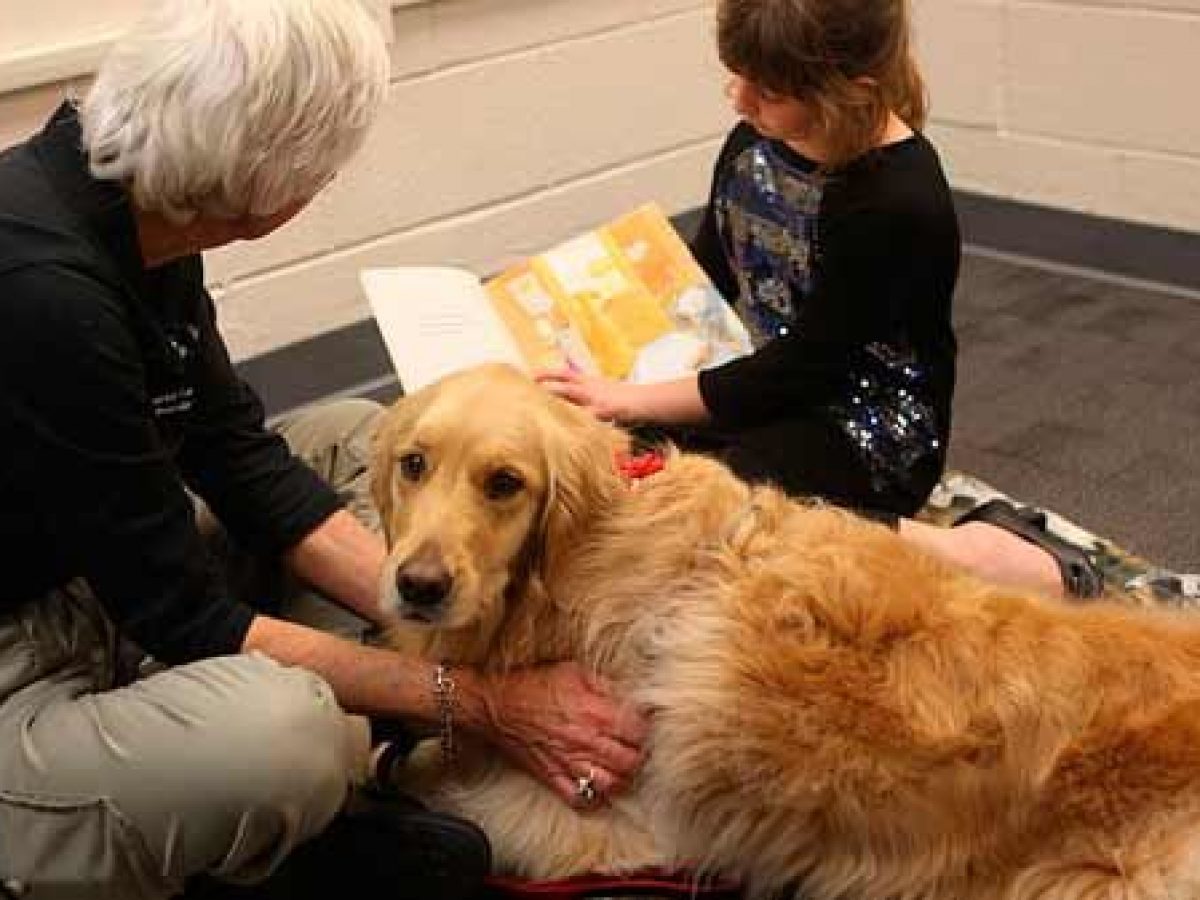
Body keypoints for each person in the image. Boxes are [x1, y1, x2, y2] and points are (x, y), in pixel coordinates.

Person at [0, 2, 644, 898]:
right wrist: (485, 704)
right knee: (283, 739)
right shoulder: (43, 292)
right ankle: (320, 798)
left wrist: (427, 591)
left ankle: (344, 762)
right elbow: (185, 621)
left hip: (96, 572)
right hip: (22, 663)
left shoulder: (136, 194)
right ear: (275, 186)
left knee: (354, 437)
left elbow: (235, 455)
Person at [539, 0, 959, 521]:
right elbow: (708, 275)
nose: (739, 100)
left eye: (769, 92)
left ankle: (967, 549)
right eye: (736, 77)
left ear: (849, 94)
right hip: (770, 382)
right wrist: (614, 350)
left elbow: (805, 368)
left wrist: (634, 399)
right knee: (604, 452)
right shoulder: (753, 145)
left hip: (864, 427)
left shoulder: (897, 202)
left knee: (708, 499)